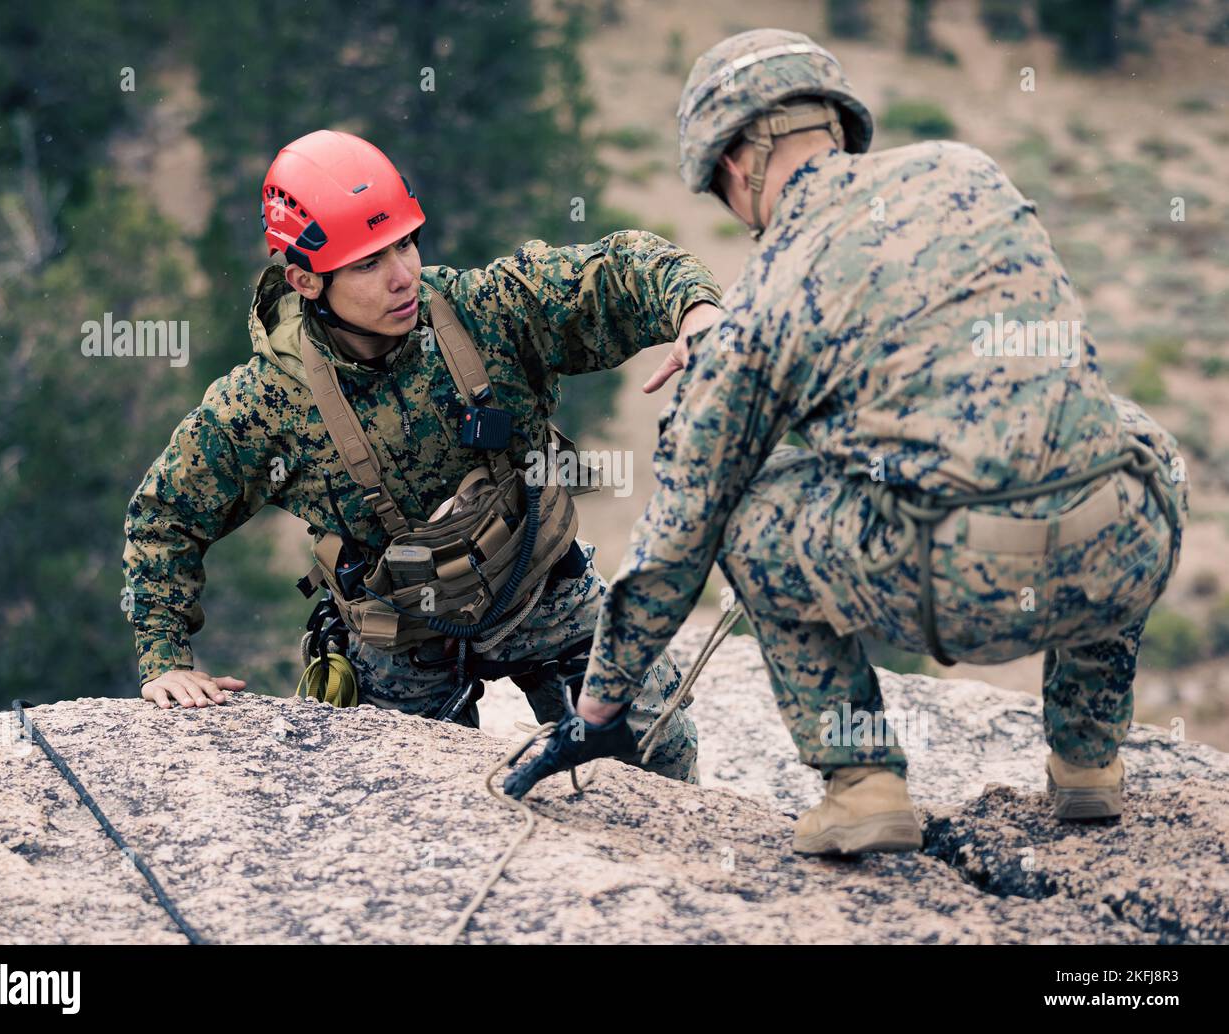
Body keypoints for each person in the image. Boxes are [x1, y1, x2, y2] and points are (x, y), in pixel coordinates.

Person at [504, 30, 1188, 855]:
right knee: (1124, 435)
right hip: (1123, 551)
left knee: (750, 511)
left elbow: (677, 537)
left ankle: (862, 783)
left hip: (962, 594)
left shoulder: (764, 300)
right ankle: (1086, 762)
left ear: (733, 164)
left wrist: (599, 709)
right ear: (835, 125)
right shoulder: (969, 172)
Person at [123, 129, 725, 784]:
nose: (402, 275)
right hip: (402, 641)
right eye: (367, 263)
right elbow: (167, 516)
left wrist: (694, 311)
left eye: (405, 243)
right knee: (398, 804)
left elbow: (618, 272)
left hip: (540, 590)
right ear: (304, 278)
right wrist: (165, 658)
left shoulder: (484, 312)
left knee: (656, 757)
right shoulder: (267, 402)